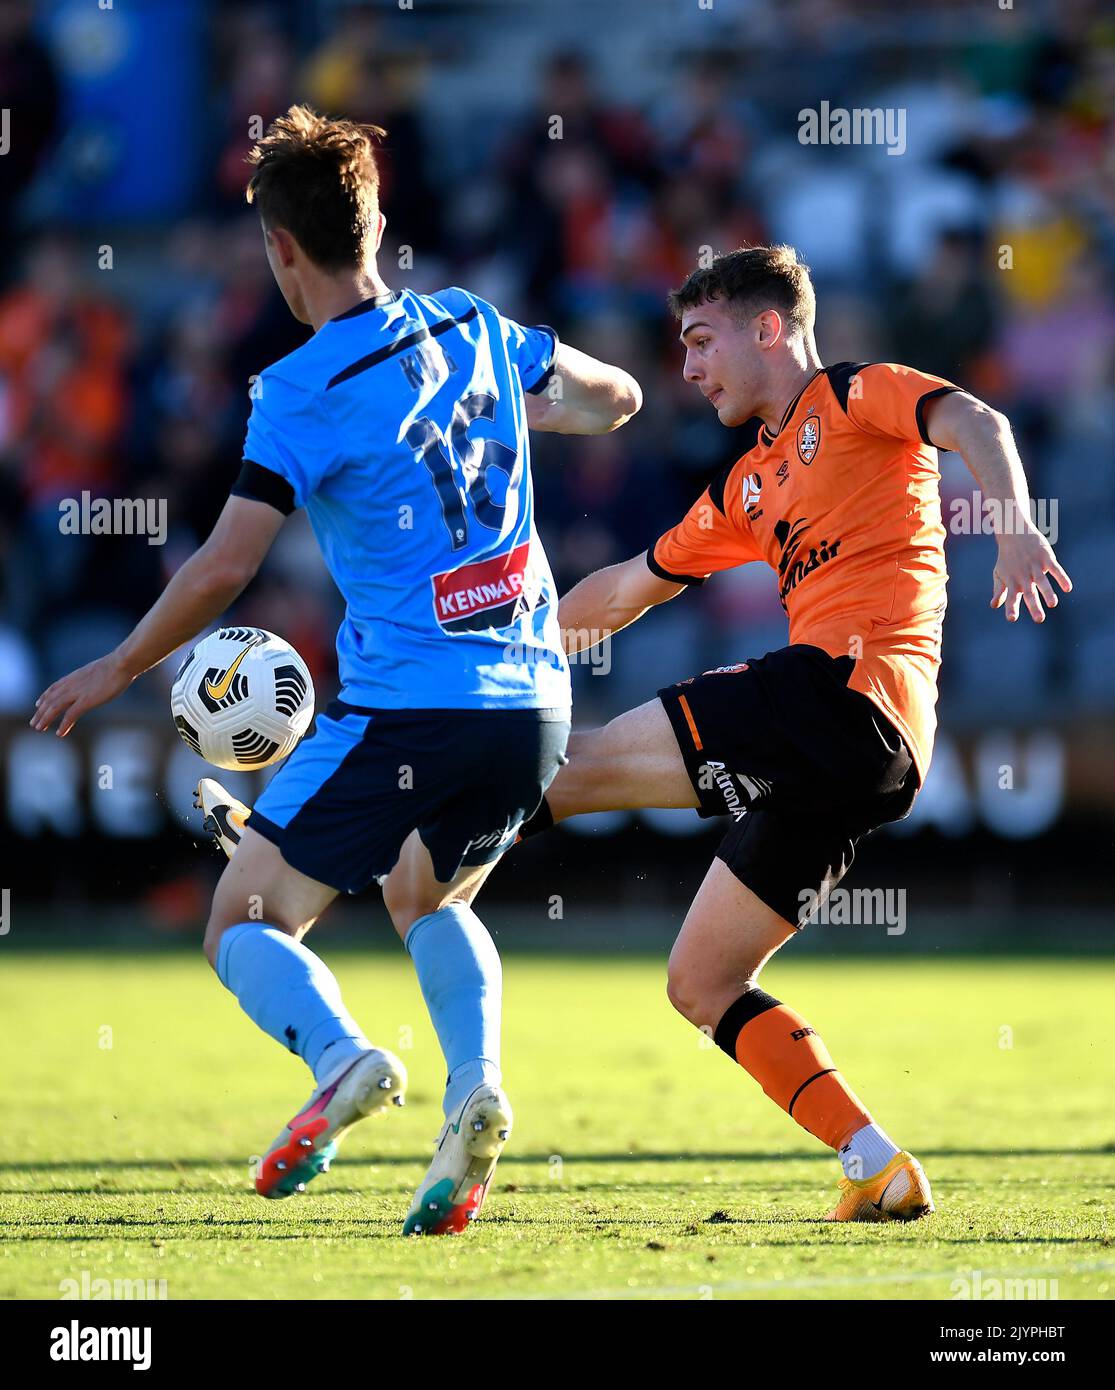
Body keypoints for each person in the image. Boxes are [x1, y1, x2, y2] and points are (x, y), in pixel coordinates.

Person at [31, 106, 641, 1236]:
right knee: (428, 892)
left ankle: (343, 1059)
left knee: (242, 923)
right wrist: (511, 411)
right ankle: (473, 1092)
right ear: (377, 226)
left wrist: (116, 665)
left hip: (411, 705)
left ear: (279, 249)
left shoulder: (295, 392)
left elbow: (222, 568)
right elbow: (618, 398)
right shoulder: (470, 323)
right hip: (534, 701)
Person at [518, 244, 1072, 1221]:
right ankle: (874, 1160)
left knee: (574, 767)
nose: (685, 367)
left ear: (768, 327)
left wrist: (1015, 523)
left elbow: (973, 418)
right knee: (700, 982)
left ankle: (351, 827)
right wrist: (521, 639)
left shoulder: (854, 397)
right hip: (862, 760)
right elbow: (622, 589)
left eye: (700, 340)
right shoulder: (748, 482)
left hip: (842, 693)